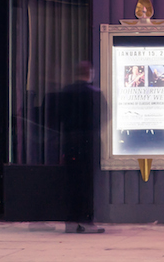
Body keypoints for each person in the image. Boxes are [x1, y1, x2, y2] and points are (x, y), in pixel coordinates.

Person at [54, 61, 106, 234]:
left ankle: (71, 219)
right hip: (89, 140)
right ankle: (86, 220)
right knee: (87, 182)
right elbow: (104, 116)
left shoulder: (65, 92)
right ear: (90, 73)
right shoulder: (95, 93)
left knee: (71, 181)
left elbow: (58, 116)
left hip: (70, 140)